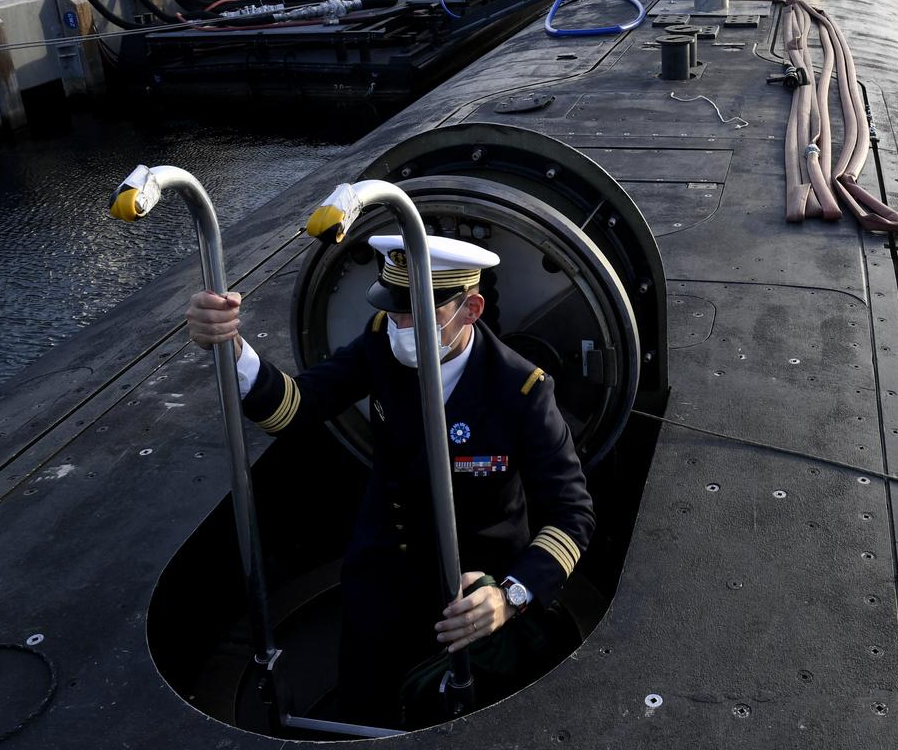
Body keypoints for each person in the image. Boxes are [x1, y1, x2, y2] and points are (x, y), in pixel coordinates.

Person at [185, 234, 594, 727]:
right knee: (364, 706)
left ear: (471, 308)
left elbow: (572, 516)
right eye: (395, 309)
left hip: (469, 595)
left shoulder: (522, 390)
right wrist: (232, 347)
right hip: (382, 574)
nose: (401, 325)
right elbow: (293, 408)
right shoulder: (381, 342)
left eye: (417, 313)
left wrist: (508, 596)